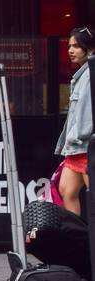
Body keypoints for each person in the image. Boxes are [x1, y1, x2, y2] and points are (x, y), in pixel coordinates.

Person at [56, 25, 95, 215]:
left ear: (90, 49)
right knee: (66, 190)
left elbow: (88, 116)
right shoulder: (82, 75)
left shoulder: (90, 75)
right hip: (77, 148)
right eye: (69, 45)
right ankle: (79, 241)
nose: (70, 50)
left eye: (76, 46)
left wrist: (75, 136)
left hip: (86, 147)